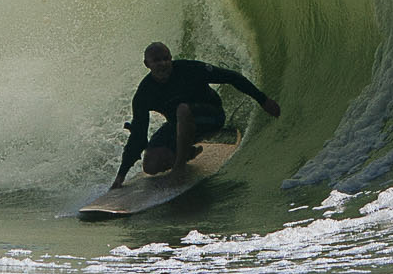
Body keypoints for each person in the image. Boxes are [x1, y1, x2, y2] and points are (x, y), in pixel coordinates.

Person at [113, 42, 281, 185]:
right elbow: (139, 137)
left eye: (166, 59)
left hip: (211, 117)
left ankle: (178, 168)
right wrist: (120, 177)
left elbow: (232, 77)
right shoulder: (145, 93)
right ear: (147, 64)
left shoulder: (189, 69)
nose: (162, 64)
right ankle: (187, 153)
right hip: (178, 125)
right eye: (156, 61)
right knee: (151, 166)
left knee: (182, 109)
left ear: (171, 58)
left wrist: (263, 100)